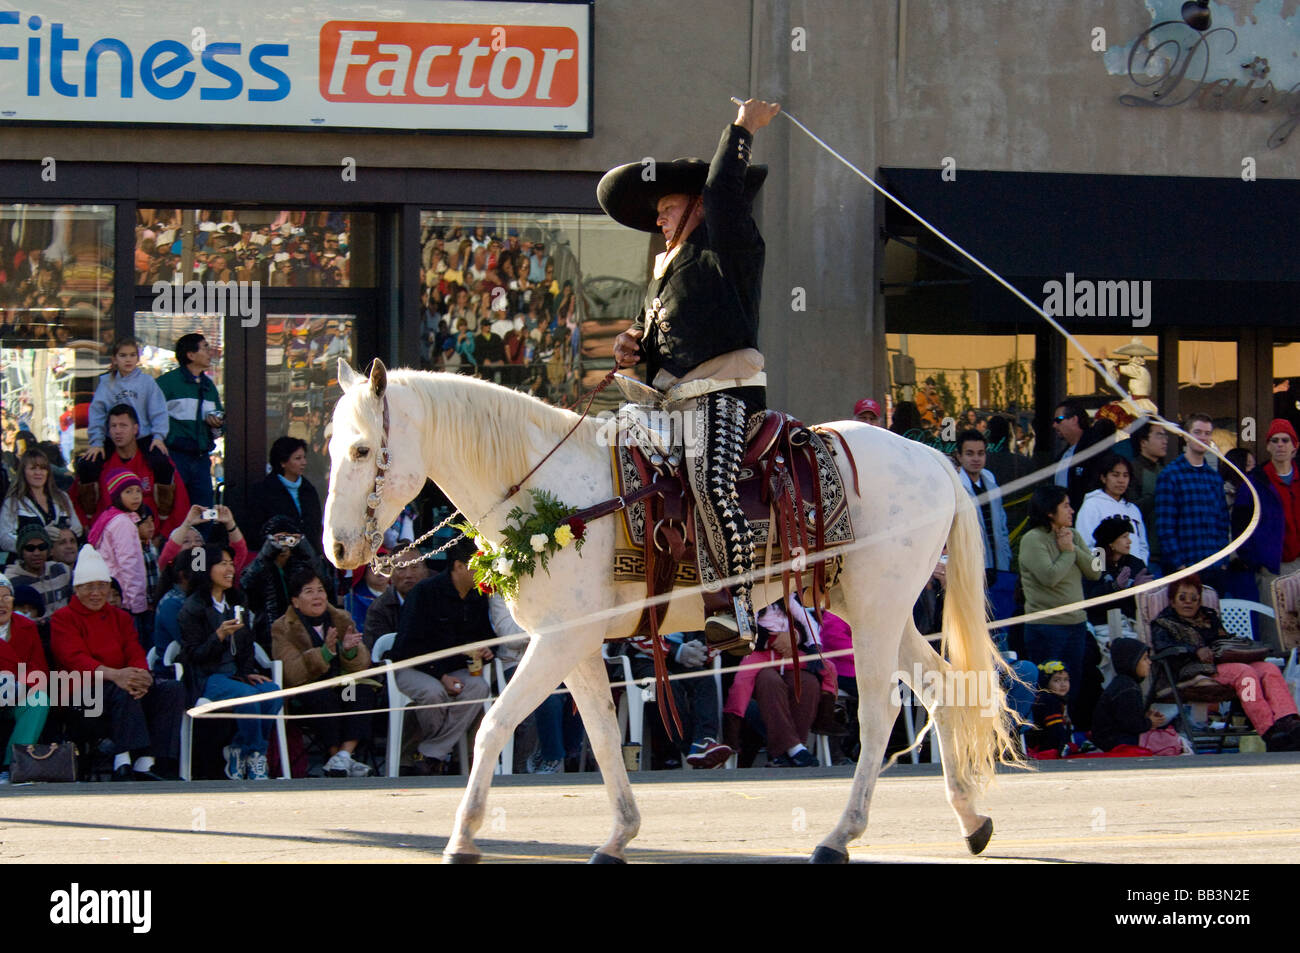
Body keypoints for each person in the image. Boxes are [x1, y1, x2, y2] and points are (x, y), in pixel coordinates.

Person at [604, 97, 781, 649]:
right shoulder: (668, 268)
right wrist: (632, 343)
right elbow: (656, 331)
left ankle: (733, 608)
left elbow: (727, 193)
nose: (657, 219)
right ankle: (644, 597)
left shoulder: (728, 244)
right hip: (664, 403)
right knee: (618, 464)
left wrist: (742, 128)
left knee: (708, 477)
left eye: (665, 207)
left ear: (698, 205)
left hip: (724, 395)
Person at [50, 546, 184, 780]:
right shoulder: (63, 619)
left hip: (122, 680)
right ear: (77, 589)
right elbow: (74, 659)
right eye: (89, 587)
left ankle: (153, 760)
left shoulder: (120, 617)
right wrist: (116, 675)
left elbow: (133, 649)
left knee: (170, 690)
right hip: (82, 691)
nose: (96, 593)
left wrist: (141, 675)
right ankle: (123, 758)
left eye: (101, 586)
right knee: (119, 690)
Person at [1150, 576, 1300, 751]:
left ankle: (1289, 722)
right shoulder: (1164, 623)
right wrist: (1195, 650)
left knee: (1269, 668)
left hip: (1223, 664)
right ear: (1172, 601)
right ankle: (1268, 730)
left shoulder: (1209, 617)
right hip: (1192, 670)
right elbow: (1163, 647)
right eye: (1182, 597)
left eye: (1194, 598)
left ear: (1199, 601)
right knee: (1246, 675)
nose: (1188, 602)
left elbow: (1223, 639)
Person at [178, 543, 282, 780]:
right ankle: (255, 753)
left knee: (272, 692)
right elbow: (192, 655)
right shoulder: (192, 608)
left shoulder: (237, 601)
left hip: (235, 675)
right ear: (206, 569)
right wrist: (219, 636)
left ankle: (239, 748)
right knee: (248, 697)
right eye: (222, 563)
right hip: (207, 678)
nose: (230, 569)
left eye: (231, 564)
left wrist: (247, 672)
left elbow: (246, 645)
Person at [389, 538, 492, 776]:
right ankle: (438, 754)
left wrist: (486, 651)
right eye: (479, 565)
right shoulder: (425, 592)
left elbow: (484, 635)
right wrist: (440, 675)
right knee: (433, 692)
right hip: (414, 666)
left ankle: (429, 753)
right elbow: (408, 646)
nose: (484, 572)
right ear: (459, 566)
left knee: (478, 687)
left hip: (455, 668)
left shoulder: (477, 595)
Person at [271, 567, 376, 778]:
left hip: (342, 683)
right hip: (307, 688)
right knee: (323, 697)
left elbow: (361, 664)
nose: (317, 596)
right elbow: (291, 672)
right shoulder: (283, 627)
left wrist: (349, 651)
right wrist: (324, 654)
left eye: (320, 590)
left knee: (361, 691)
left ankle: (343, 756)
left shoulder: (341, 618)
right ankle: (336, 756)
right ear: (295, 601)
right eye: (309, 591)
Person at [723, 596, 836, 767]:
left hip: (789, 656)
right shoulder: (745, 590)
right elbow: (740, 625)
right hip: (757, 656)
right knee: (768, 683)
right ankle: (792, 749)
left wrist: (799, 638)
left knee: (809, 682)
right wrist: (769, 639)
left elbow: (806, 620)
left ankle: (797, 746)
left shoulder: (786, 592)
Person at [1018, 485, 1102, 712]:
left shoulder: (1072, 535)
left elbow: (1095, 571)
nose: (1072, 510)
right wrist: (1066, 552)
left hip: (1076, 625)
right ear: (1049, 511)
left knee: (1071, 686)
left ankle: (1069, 736)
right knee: (1048, 689)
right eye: (1065, 506)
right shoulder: (1032, 539)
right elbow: (1049, 576)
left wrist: (1072, 546)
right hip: (1047, 627)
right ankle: (1047, 739)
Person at [74, 404, 190, 538]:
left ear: (135, 429)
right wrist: (87, 527)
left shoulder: (157, 463)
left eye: (123, 425)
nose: (118, 431)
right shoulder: (98, 464)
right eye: (113, 426)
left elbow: (181, 503)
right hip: (108, 540)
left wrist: (164, 536)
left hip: (152, 540)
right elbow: (74, 500)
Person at [626, 631, 732, 769]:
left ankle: (705, 739)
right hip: (643, 662)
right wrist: (676, 651)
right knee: (667, 684)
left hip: (682, 660)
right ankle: (695, 750)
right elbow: (635, 634)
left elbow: (712, 631)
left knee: (704, 679)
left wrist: (701, 650)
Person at [1155, 414, 1231, 592]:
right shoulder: (1170, 475)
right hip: (1184, 569)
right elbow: (1165, 527)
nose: (1203, 438)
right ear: (1185, 435)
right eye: (1197, 432)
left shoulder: (1214, 478)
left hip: (1214, 569)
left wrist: (1223, 563)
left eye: (1207, 433)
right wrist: (1180, 565)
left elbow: (1222, 523)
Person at [240, 515, 335, 651]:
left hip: (304, 635)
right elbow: (245, 584)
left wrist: (304, 547)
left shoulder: (303, 565)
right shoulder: (259, 565)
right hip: (268, 637)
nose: (284, 543)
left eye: (288, 538)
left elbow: (326, 582)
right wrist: (267, 552)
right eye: (279, 538)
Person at [157, 332, 225, 507]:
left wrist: (217, 425)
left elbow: (219, 422)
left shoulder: (208, 385)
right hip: (175, 456)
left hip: (202, 458)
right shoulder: (166, 383)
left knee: (204, 511)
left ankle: (202, 536)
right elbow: (151, 417)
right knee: (175, 508)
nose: (210, 352)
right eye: (205, 347)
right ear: (191, 355)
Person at [1091, 638, 1188, 756]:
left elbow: (1127, 719)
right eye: (1145, 659)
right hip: (1114, 741)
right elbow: (1132, 725)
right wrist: (1149, 722)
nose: (1150, 662)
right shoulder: (1127, 688)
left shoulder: (1126, 683)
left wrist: (1146, 717)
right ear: (1131, 661)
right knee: (1171, 742)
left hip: (1113, 738)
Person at [0, 573, 51, 784]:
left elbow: (39, 668)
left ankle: (11, 765)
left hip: (17, 694)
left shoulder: (26, 627)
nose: (1, 603)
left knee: (39, 700)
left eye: (5, 597)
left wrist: (20, 685)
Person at [85, 337, 169, 459]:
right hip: (113, 438)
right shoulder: (106, 383)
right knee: (88, 467)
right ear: (114, 359)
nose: (128, 360)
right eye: (123, 355)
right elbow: (97, 414)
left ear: (137, 358)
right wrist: (97, 442)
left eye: (132, 355)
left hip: (142, 438)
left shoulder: (147, 382)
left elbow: (159, 411)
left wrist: (158, 437)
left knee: (163, 465)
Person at [86, 470, 149, 627]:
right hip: (126, 600)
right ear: (117, 495)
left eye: (138, 491)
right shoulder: (122, 523)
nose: (135, 496)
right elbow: (129, 563)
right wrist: (136, 603)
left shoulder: (113, 518)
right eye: (128, 492)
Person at [246, 436, 325, 559]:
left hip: (309, 559)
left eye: (304, 457)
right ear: (283, 462)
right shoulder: (263, 491)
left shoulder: (309, 490)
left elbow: (315, 527)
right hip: (277, 558)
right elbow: (256, 531)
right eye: (297, 458)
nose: (303, 462)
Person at [954, 429, 1011, 589]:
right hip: (970, 565)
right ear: (959, 456)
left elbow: (1002, 526)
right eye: (970, 453)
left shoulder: (991, 482)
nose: (976, 459)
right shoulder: (956, 487)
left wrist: (1006, 555)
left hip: (999, 564)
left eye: (981, 453)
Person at [0, 447, 83, 553]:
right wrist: (37, 537)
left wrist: (66, 534)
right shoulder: (13, 502)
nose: (38, 473)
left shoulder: (62, 497)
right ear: (23, 472)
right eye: (33, 468)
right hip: (26, 565)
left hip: (60, 563)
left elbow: (77, 528)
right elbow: (4, 538)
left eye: (43, 468)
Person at [1075, 453, 1151, 566]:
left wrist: (1140, 567)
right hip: (1105, 575)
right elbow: (1086, 544)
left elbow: (1142, 545)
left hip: (1135, 575)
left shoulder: (1133, 509)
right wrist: (1102, 572)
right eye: (1115, 475)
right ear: (1103, 478)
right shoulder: (1092, 505)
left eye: (1125, 475)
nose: (1121, 480)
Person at [1084, 514, 1153, 626]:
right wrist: (1114, 587)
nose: (1129, 541)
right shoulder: (1094, 563)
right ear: (1111, 542)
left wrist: (1136, 589)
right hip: (1103, 625)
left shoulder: (1135, 563)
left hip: (1133, 624)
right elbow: (1090, 600)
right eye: (1124, 537)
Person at [362, 548, 431, 650]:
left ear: (425, 571)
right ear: (391, 574)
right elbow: (378, 651)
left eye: (414, 567)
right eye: (401, 568)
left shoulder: (438, 599)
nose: (409, 575)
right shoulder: (379, 609)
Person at [3, 524, 72, 623]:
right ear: (21, 551)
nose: (37, 553)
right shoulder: (9, 581)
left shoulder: (63, 571)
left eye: (42, 547)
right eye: (30, 548)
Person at [1026, 661, 1096, 757]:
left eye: (1066, 679)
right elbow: (1055, 729)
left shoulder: (1059, 699)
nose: (1063, 684)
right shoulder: (1049, 700)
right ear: (1046, 683)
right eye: (1057, 680)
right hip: (1046, 745)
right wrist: (1067, 745)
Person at [1126, 420, 1169, 571]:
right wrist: (1158, 494)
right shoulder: (1130, 470)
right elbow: (1131, 510)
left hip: (1168, 552)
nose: (1165, 441)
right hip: (1144, 553)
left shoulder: (1165, 471)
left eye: (1165, 436)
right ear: (1143, 442)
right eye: (1159, 435)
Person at [1051, 400, 1087, 490]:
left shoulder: (1094, 452)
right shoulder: (1065, 454)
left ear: (1074, 420)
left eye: (1058, 420)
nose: (1054, 425)